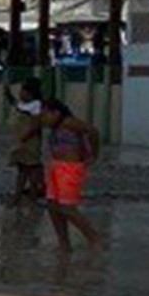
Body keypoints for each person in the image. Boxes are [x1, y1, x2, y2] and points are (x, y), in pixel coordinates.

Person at [38, 93, 101, 249]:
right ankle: (64, 243)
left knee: (67, 208)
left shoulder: (69, 122)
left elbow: (93, 131)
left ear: (56, 113)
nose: (43, 117)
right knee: (53, 206)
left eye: (45, 114)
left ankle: (94, 238)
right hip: (55, 166)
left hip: (70, 168)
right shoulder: (55, 127)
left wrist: (94, 154)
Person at [7, 87, 49, 203]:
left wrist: (24, 137)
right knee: (22, 170)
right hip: (23, 143)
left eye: (23, 91)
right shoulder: (28, 105)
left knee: (31, 171)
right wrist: (8, 95)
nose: (20, 93)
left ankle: (32, 197)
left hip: (29, 143)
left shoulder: (36, 105)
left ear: (30, 94)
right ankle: (20, 196)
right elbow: (17, 105)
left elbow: (35, 126)